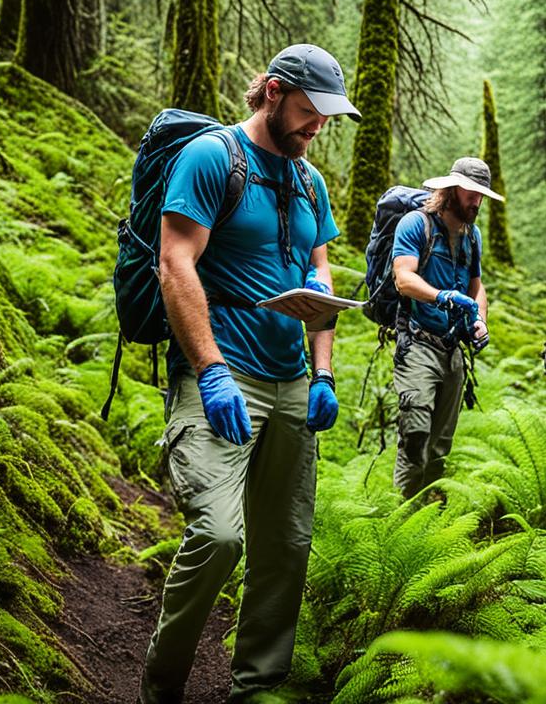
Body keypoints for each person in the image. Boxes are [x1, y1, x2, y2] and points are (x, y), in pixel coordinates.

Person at [139, 44, 359, 704]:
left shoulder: (310, 182)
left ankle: (256, 687)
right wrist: (209, 371)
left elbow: (320, 280)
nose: (317, 125)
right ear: (270, 91)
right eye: (308, 111)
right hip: (221, 376)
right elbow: (175, 265)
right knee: (218, 534)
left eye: (326, 117)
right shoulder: (212, 159)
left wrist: (322, 375)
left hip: (291, 379)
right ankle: (162, 685)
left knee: (286, 547)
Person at [390, 158, 501, 499]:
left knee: (440, 445)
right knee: (416, 432)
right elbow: (403, 278)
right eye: (471, 193)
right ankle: (400, 518)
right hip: (418, 345)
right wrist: (442, 297)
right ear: (451, 190)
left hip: (453, 351)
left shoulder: (472, 235)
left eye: (481, 195)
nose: (477, 202)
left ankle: (428, 515)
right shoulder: (415, 225)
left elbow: (476, 288)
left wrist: (479, 320)